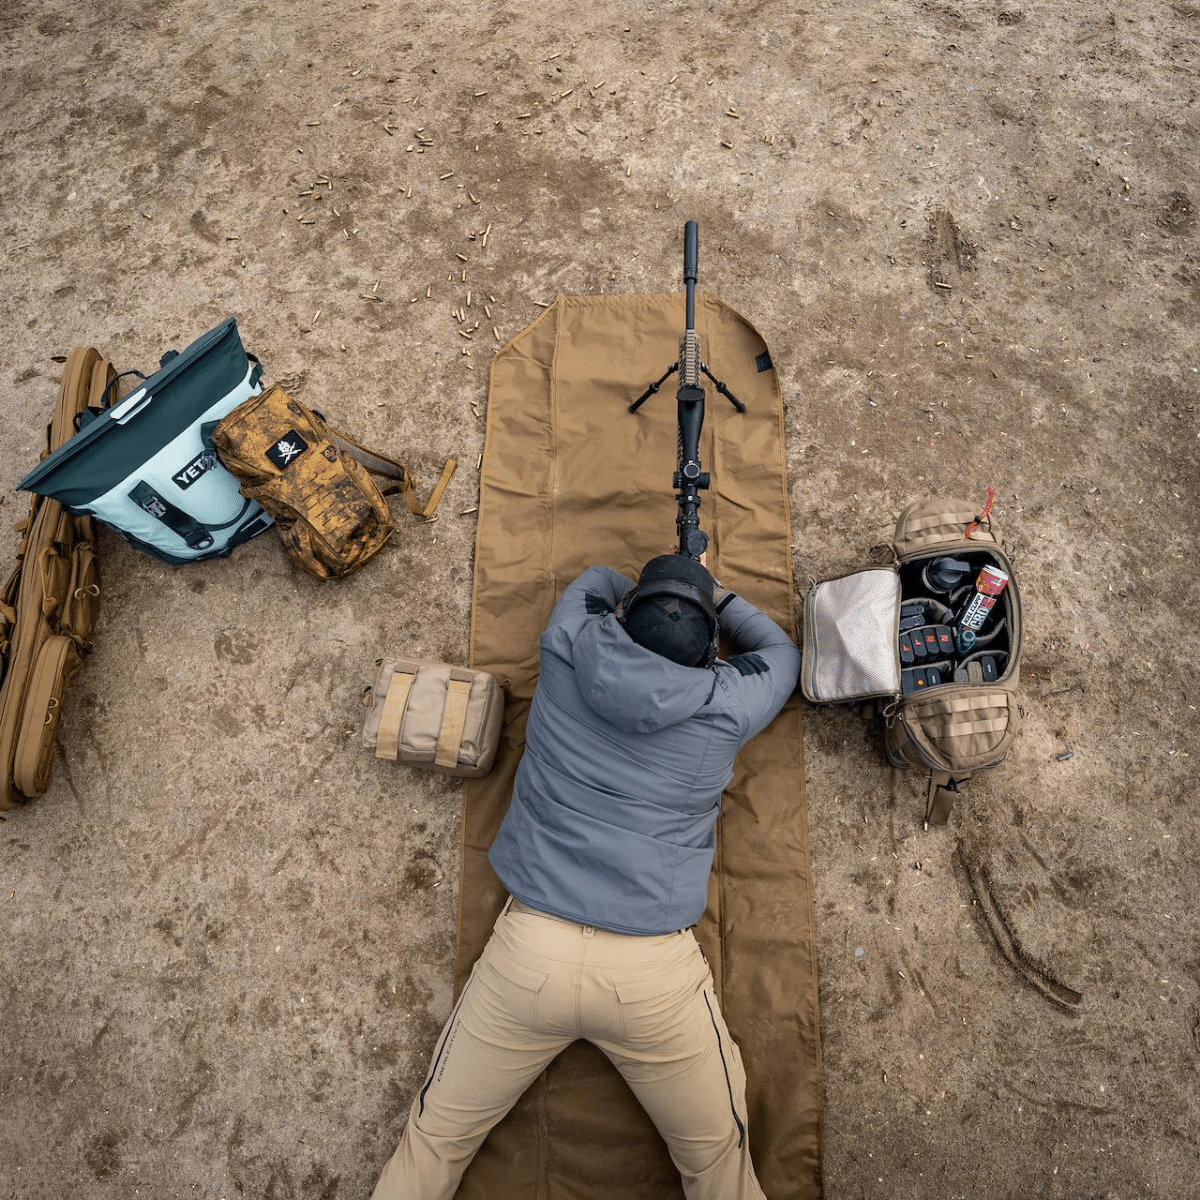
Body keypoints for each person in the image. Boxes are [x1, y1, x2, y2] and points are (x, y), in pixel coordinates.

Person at [371, 553, 801, 1200]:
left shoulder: (566, 648)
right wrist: (716, 591)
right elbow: (780, 652)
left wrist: (658, 587)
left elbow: (596, 578)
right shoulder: (727, 705)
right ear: (711, 652)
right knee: (720, 1170)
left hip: (529, 954)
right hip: (653, 975)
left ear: (622, 620)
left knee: (432, 1144)